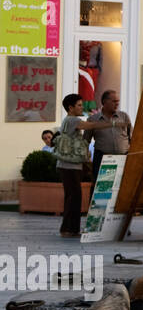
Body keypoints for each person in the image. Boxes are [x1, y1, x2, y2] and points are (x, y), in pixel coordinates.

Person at [55, 93, 90, 238]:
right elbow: (92, 125)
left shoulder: (69, 120)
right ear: (71, 107)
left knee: (74, 196)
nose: (82, 107)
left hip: (70, 166)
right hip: (69, 166)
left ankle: (72, 229)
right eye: (79, 105)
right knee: (73, 196)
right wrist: (112, 123)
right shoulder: (72, 120)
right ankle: (67, 229)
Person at [84, 89, 132, 180]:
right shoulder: (93, 119)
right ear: (104, 102)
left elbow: (132, 137)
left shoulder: (124, 116)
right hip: (103, 159)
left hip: (123, 158)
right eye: (114, 101)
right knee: (102, 188)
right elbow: (85, 140)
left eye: (118, 101)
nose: (117, 104)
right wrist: (86, 158)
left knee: (123, 186)